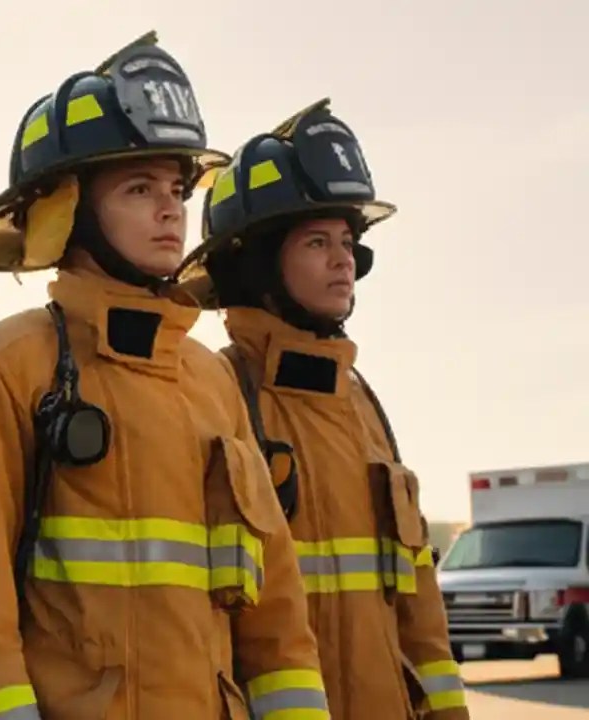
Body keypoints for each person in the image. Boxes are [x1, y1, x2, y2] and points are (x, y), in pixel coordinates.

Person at [0, 32, 328, 720]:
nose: (171, 209)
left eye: (177, 188)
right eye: (140, 188)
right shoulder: (0, 369)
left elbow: (276, 612)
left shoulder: (208, 380)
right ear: (66, 211)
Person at [174, 98, 468, 719]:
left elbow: (419, 610)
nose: (344, 261)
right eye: (316, 241)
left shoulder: (362, 405)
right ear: (258, 264)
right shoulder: (213, 393)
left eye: (347, 241)